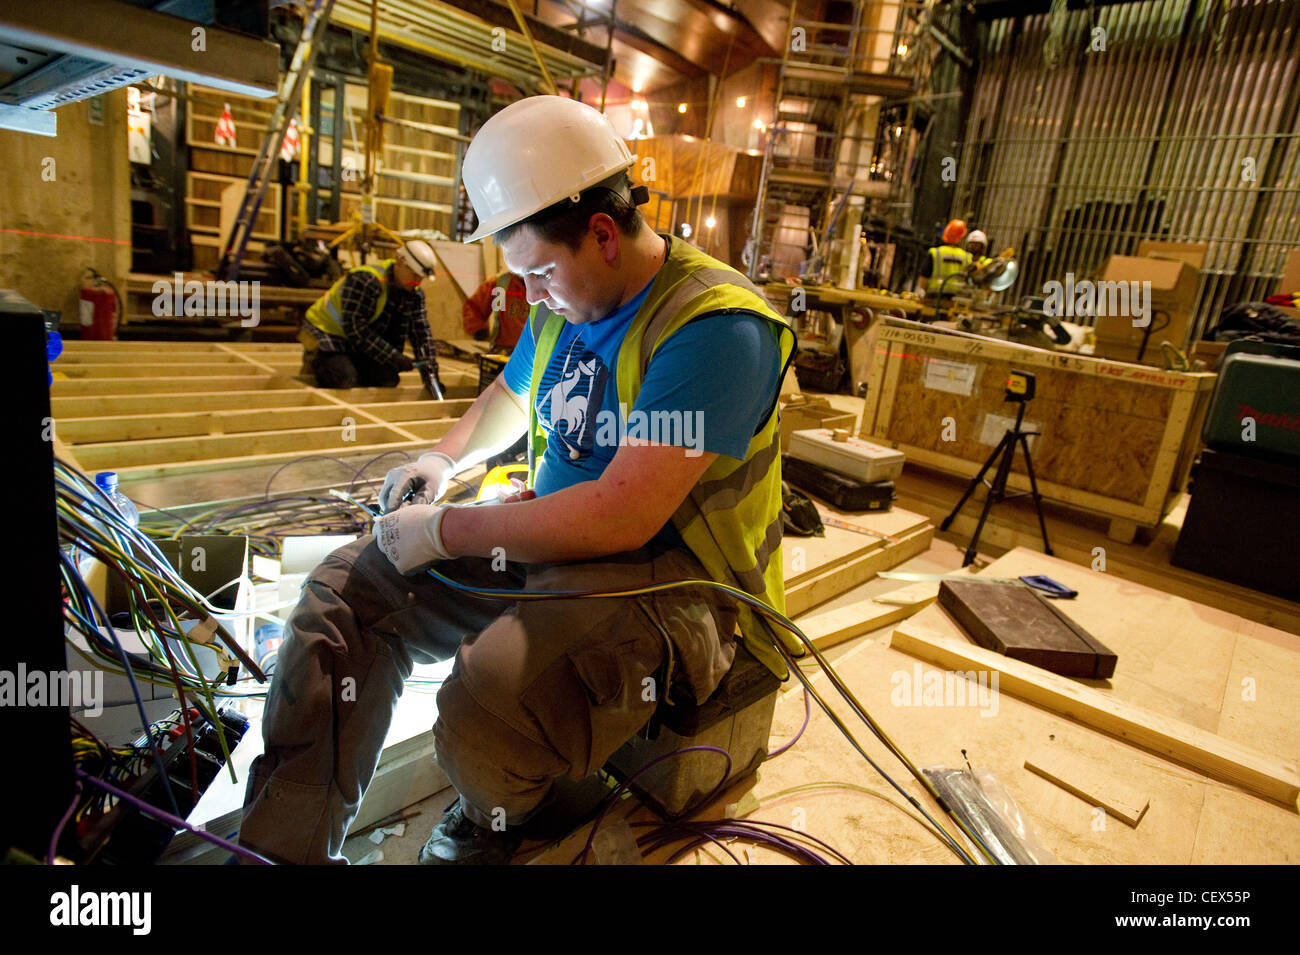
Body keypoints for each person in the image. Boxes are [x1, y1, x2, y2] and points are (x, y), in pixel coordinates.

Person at [238, 94, 800, 865]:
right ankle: (280, 855)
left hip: (677, 582)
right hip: (558, 531)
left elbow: (622, 516)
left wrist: (443, 529)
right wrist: (442, 460)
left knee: (487, 705)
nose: (531, 295)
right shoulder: (564, 297)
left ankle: (522, 815)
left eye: (538, 270)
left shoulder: (715, 330)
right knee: (347, 596)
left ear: (603, 232)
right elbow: (511, 393)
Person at [299, 239, 446, 398]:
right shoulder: (366, 280)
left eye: (421, 277)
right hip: (328, 334)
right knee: (343, 378)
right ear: (399, 261)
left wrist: (431, 377)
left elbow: (421, 334)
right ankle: (316, 361)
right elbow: (356, 329)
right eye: (414, 274)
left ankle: (352, 366)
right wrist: (393, 356)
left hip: (357, 343)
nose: (417, 281)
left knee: (388, 380)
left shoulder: (414, 293)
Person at [462, 271, 529, 350]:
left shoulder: (543, 284)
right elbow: (474, 307)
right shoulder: (501, 283)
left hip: (537, 351)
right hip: (505, 349)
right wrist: (478, 329)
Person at [916, 218, 972, 297]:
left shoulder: (936, 253)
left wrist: (926, 292)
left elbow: (923, 279)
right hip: (956, 300)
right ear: (962, 238)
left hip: (933, 296)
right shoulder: (967, 257)